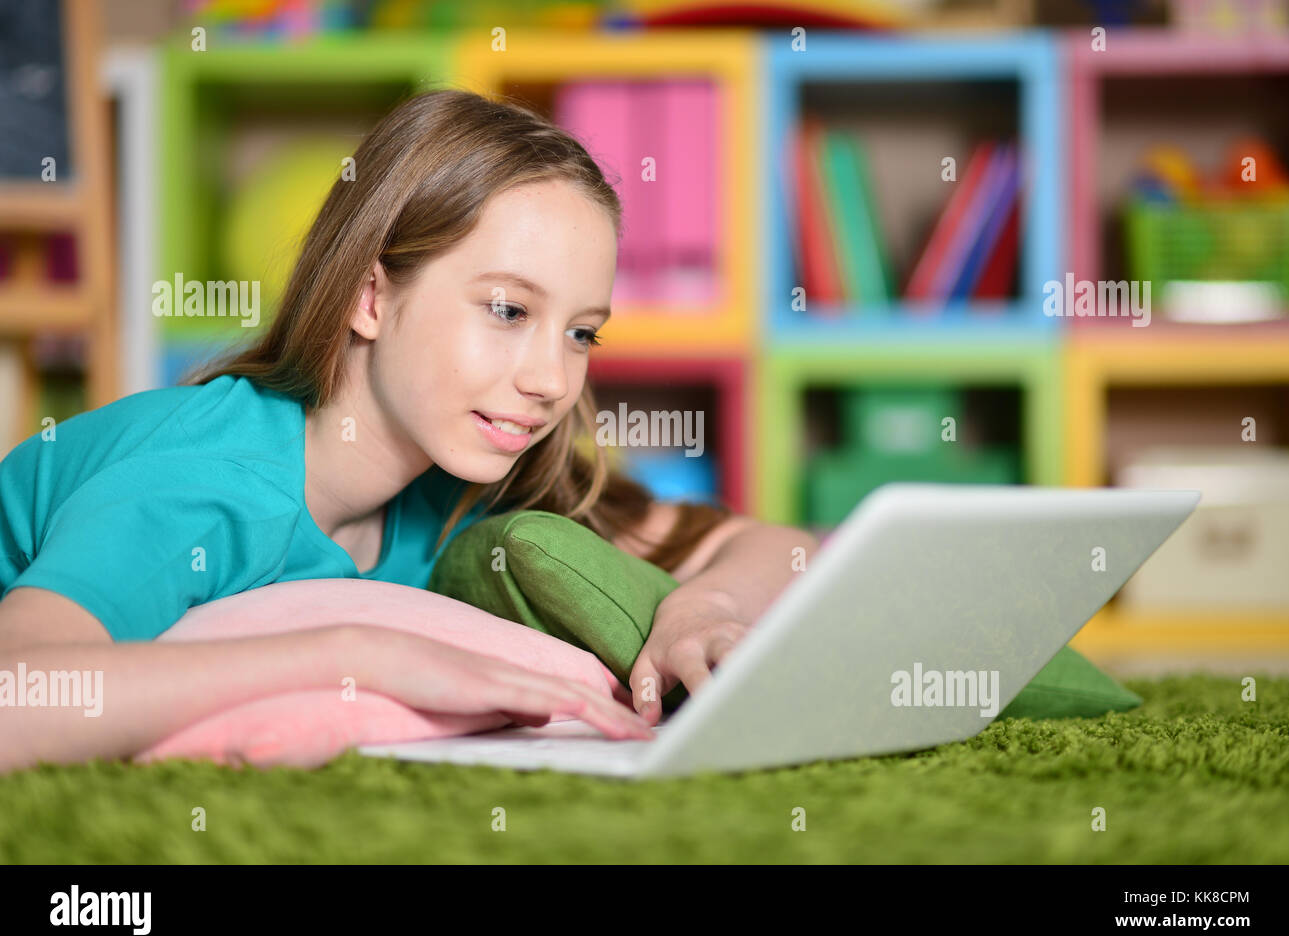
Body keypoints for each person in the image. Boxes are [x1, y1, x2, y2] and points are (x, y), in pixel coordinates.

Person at [0, 88, 819, 773]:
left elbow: (782, 545)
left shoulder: (466, 473)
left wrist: (699, 607)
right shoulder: (210, 487)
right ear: (370, 297)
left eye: (581, 333)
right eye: (507, 309)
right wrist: (357, 655)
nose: (552, 381)